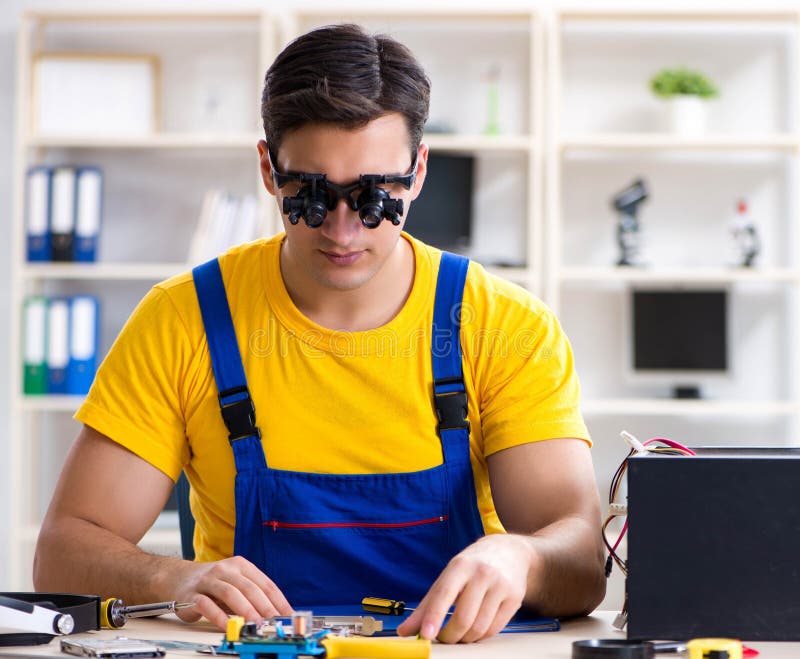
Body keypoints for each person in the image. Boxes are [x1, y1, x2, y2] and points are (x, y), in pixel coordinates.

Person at [34, 23, 606, 643]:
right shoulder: (184, 321)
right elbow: (63, 553)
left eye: (372, 195)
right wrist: (172, 579)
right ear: (266, 168)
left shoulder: (505, 327)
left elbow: (580, 563)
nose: (341, 230)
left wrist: (522, 558)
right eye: (307, 194)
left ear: (417, 172)